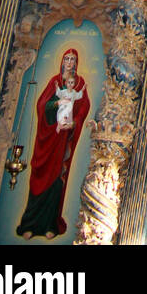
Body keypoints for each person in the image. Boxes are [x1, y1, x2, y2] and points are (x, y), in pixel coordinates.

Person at [16, 48, 90, 239]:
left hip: (63, 139)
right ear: (62, 61)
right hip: (47, 137)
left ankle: (50, 224)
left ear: (77, 62)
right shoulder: (55, 82)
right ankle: (29, 225)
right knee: (38, 178)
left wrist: (75, 122)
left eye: (73, 59)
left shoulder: (79, 83)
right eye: (67, 58)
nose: (70, 62)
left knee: (57, 178)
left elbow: (83, 107)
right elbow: (42, 105)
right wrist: (56, 104)